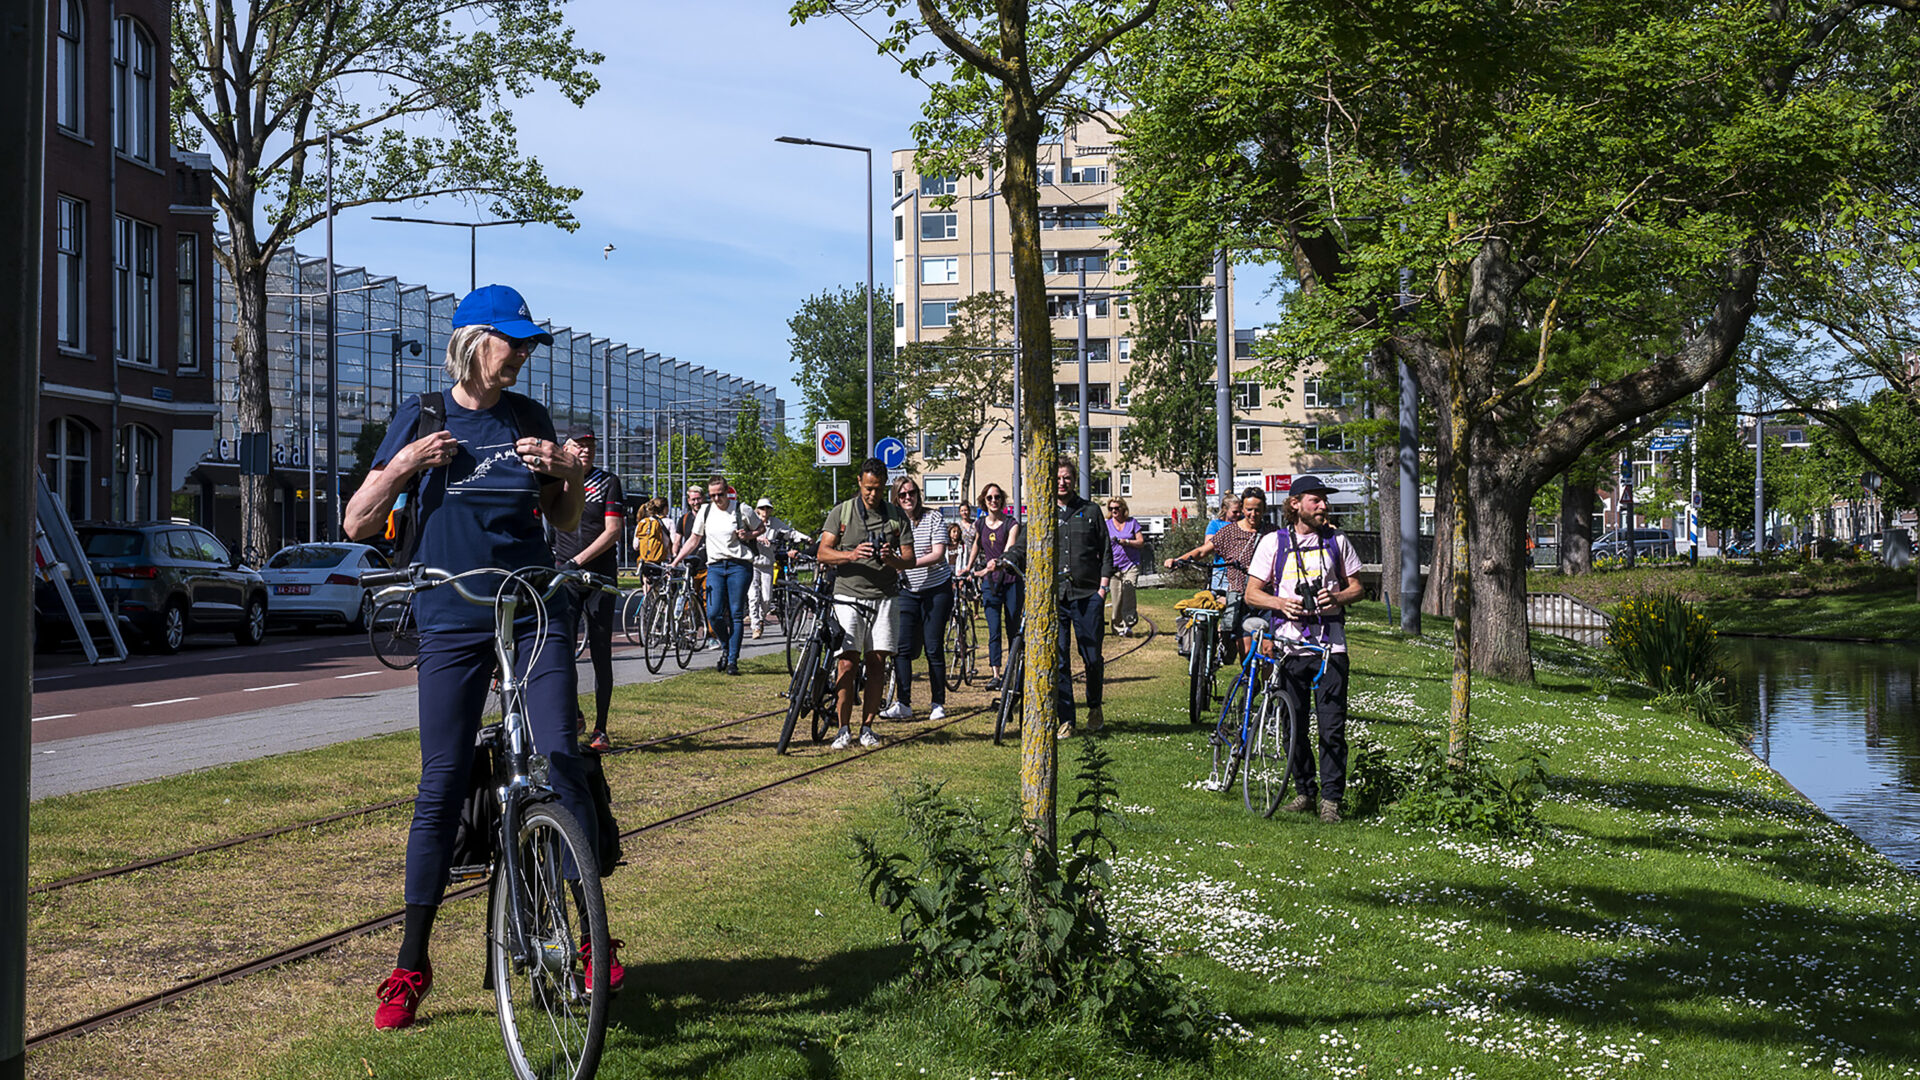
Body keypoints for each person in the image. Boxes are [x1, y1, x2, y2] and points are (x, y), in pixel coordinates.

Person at [341, 283, 618, 1030]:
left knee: (561, 758)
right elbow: (357, 519)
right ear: (472, 341)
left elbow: (561, 517)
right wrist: (404, 465)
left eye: (528, 345)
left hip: (532, 607)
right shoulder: (423, 415)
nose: (522, 356)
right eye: (511, 342)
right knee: (440, 782)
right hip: (450, 612)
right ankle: (411, 961)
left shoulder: (529, 418)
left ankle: (591, 938)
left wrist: (561, 472)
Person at [1244, 474, 1364, 824]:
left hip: (1331, 646)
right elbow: (1253, 592)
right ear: (1295, 504)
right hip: (1289, 647)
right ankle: (1304, 791)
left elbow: (1357, 587)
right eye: (1316, 500)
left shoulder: (1337, 540)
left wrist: (1337, 596)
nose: (1323, 506)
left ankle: (1331, 800)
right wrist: (1280, 603)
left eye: (1324, 500)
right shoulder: (1273, 542)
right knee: (1290, 724)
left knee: (1331, 727)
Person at [815, 457, 914, 748]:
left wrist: (890, 559)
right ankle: (842, 727)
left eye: (879, 489)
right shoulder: (842, 511)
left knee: (877, 663)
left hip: (884, 597)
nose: (873, 494)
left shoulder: (896, 516)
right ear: (859, 482)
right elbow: (823, 552)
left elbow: (910, 559)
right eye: (869, 488)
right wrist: (851, 554)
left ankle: (867, 727)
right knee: (847, 662)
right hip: (848, 595)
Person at [1015, 459, 1113, 738]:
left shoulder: (1091, 511)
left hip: (1088, 595)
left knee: (1091, 657)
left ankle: (1094, 706)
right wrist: (1005, 559)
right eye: (1057, 478)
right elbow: (1022, 546)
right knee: (1058, 660)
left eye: (1067, 477)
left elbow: (1105, 551)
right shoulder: (1041, 512)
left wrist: (1102, 588)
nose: (1062, 482)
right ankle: (1066, 719)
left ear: (1074, 480)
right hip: (1054, 597)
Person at [550, 425, 625, 753]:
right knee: (560, 649)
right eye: (579, 446)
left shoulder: (608, 482)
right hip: (564, 578)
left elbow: (613, 531)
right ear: (565, 448)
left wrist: (578, 561)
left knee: (600, 652)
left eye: (591, 446)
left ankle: (601, 728)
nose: (586, 451)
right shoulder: (553, 482)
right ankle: (574, 715)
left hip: (599, 577)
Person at [669, 474, 762, 676]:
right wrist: (675, 561)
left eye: (720, 494)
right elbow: (694, 539)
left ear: (727, 491)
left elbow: (760, 527)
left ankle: (732, 661)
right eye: (712, 495)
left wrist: (749, 535)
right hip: (715, 567)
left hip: (739, 565)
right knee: (713, 613)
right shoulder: (705, 511)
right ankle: (726, 646)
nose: (717, 499)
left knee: (736, 613)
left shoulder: (741, 509)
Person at [1165, 486, 1271, 661]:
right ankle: (1247, 682)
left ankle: (1269, 688)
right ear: (1243, 509)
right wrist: (1179, 560)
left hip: (1266, 596)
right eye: (1249, 510)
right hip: (1239, 594)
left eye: (1257, 510)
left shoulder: (1271, 532)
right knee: (1243, 653)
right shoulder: (1229, 532)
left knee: (1268, 649)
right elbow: (1202, 551)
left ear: (1264, 510)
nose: (1253, 514)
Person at [879, 477, 953, 721]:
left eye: (911, 493)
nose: (907, 498)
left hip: (936, 590)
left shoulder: (933, 518)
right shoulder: (893, 523)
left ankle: (937, 702)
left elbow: (938, 554)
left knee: (933, 647)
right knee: (901, 648)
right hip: (908, 589)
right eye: (902, 495)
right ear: (895, 499)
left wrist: (903, 563)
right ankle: (904, 702)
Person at [973, 482, 1022, 691]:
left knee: (1012, 628)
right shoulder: (980, 524)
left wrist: (994, 566)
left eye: (997, 497)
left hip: (1010, 582)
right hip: (990, 584)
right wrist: (967, 567)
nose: (994, 501)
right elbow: (976, 544)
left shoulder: (1012, 523)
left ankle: (1014, 673)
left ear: (1002, 500)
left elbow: (1009, 550)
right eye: (989, 498)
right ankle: (995, 673)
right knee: (993, 629)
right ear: (984, 501)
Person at [748, 497, 807, 639]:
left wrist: (806, 538)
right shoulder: (751, 521)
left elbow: (790, 532)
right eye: (762, 508)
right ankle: (755, 625)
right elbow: (743, 535)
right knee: (753, 596)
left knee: (767, 598)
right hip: (752, 562)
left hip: (768, 563)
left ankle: (761, 619)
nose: (765, 511)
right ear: (757, 509)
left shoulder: (775, 523)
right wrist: (757, 538)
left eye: (767, 508)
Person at [1105, 496, 1146, 636]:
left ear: (1123, 508)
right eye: (1111, 508)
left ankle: (1129, 622)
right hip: (1114, 566)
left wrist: (1127, 542)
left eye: (1117, 508)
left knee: (1128, 588)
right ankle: (1117, 627)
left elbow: (1141, 542)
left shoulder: (1132, 523)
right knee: (1116, 597)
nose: (1114, 511)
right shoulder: (1107, 524)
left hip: (1131, 564)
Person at [1205, 494, 1242, 594]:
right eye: (1235, 512)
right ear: (1225, 509)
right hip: (1221, 570)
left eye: (1240, 511)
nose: (1238, 515)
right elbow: (1208, 544)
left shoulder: (1242, 524)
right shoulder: (1215, 524)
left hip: (1240, 571)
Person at [631, 497, 669, 566]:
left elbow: (635, 546)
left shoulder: (642, 523)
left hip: (645, 561)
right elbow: (673, 543)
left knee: (646, 576)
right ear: (665, 508)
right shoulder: (669, 522)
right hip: (663, 562)